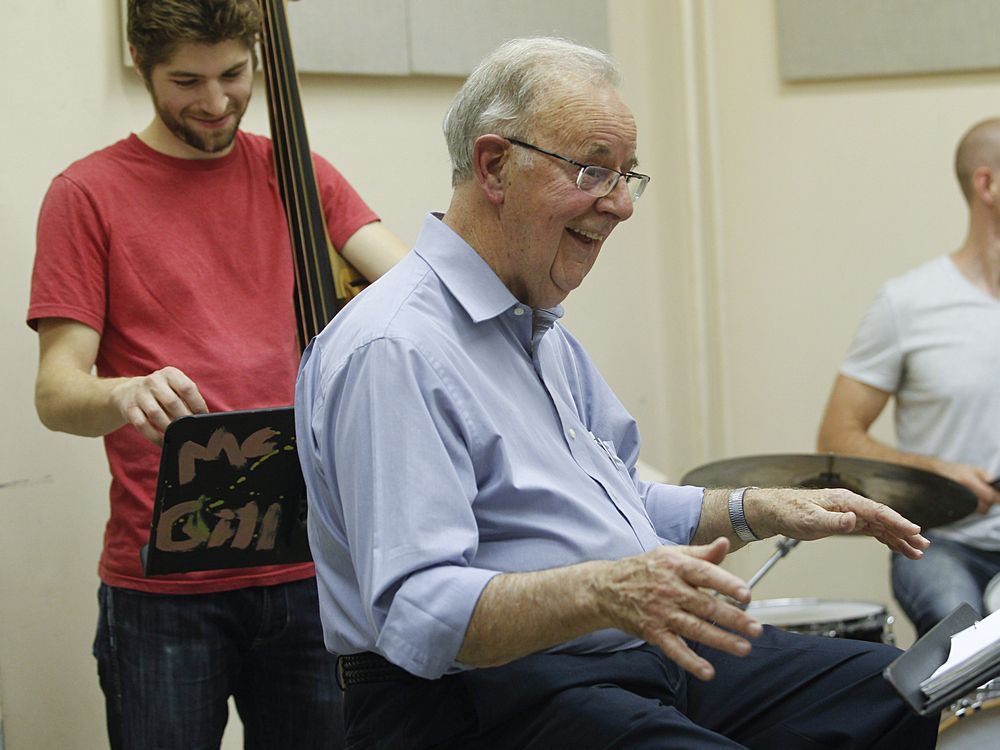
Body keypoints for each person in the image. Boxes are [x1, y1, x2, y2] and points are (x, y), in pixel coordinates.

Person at [294, 37, 939, 748]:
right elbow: (417, 612)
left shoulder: (539, 332)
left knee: (910, 693)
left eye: (628, 175)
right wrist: (603, 591)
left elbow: (618, 502)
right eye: (595, 171)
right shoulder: (396, 348)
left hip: (625, 655)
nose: (623, 205)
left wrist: (759, 508)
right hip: (476, 697)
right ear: (493, 165)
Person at [27, 1, 407, 747]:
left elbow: (413, 293)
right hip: (162, 589)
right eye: (185, 81)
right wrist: (123, 392)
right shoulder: (86, 195)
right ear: (139, 61)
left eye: (233, 74)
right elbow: (56, 391)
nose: (214, 102)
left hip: (309, 566)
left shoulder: (300, 176)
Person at [818, 117, 1000, 638]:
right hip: (943, 541)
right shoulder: (908, 303)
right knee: (963, 640)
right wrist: (935, 470)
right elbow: (837, 437)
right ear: (987, 185)